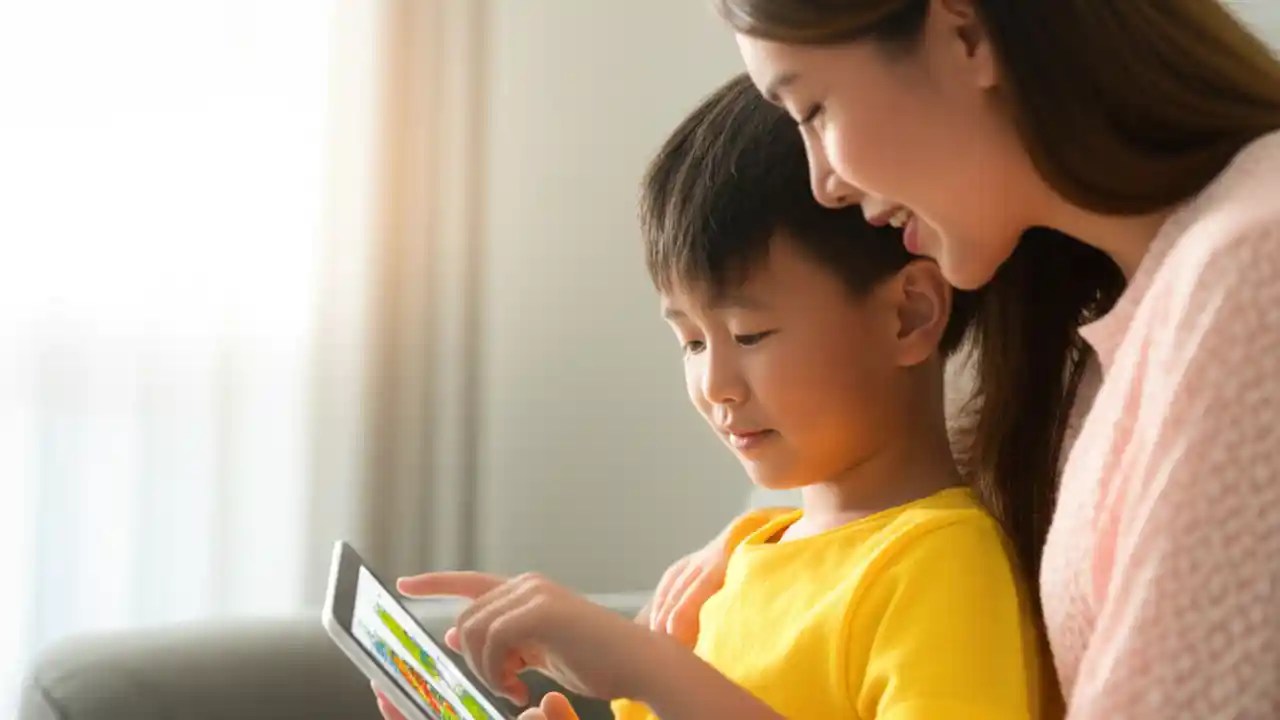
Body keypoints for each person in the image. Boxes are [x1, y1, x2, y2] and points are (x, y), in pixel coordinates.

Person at [382, 1, 1280, 718]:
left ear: (964, 34)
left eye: (813, 108)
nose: (826, 183)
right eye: (690, 341)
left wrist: (650, 668)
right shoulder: (1090, 347)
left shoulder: (1249, 272)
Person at [377, 71, 1053, 720]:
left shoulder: (943, 564)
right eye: (692, 342)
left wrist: (651, 668)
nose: (714, 386)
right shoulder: (745, 556)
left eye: (749, 334)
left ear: (909, 316)